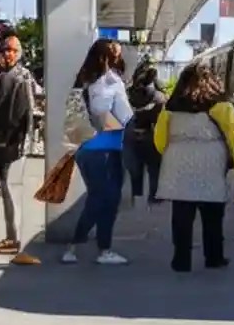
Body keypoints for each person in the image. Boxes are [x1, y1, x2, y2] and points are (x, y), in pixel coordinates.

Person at [153, 63, 234, 272]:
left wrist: (172, 152)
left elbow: (159, 139)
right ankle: (214, 257)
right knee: (212, 214)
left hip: (178, 160)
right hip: (211, 160)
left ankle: (181, 260)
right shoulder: (221, 106)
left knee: (181, 215)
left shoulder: (170, 107)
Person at [62, 39, 133, 266]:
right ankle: (92, 248)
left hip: (86, 149)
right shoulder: (112, 82)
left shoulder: (81, 81)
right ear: (109, 58)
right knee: (106, 200)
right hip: (108, 149)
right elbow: (124, 116)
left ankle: (86, 247)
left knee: (98, 197)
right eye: (118, 55)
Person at [0, 34, 36, 255]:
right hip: (15, 142)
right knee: (10, 191)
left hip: (9, 142)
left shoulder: (9, 78)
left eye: (12, 50)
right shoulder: (20, 76)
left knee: (9, 191)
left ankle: (14, 238)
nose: (7, 54)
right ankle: (15, 236)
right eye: (4, 50)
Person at [123, 61, 165, 206]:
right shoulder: (159, 97)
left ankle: (137, 194)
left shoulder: (127, 94)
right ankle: (154, 196)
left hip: (130, 135)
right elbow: (161, 120)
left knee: (135, 168)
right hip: (151, 135)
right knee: (154, 168)